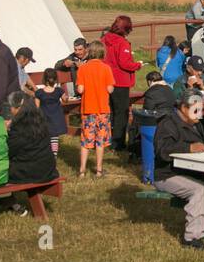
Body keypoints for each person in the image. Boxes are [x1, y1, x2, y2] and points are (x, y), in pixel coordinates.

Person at [153, 92, 204, 249]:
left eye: (201, 109)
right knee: (200, 190)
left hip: (192, 171)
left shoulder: (196, 123)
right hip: (168, 175)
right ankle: (192, 238)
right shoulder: (167, 124)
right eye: (196, 110)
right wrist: (188, 148)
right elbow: (162, 151)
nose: (200, 114)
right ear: (183, 108)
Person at [98, 15, 141, 153]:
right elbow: (124, 63)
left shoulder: (103, 40)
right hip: (120, 82)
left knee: (108, 111)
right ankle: (117, 143)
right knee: (121, 113)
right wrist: (137, 65)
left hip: (105, 79)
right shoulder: (122, 43)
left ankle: (103, 140)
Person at [76, 38, 115, 177]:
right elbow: (110, 90)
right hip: (103, 109)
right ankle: (99, 170)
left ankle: (82, 170)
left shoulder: (83, 68)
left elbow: (80, 90)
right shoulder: (106, 68)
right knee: (100, 141)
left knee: (86, 141)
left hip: (88, 109)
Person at [7, 91, 58, 194]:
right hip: (48, 169)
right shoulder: (41, 121)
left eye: (11, 107)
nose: (10, 110)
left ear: (17, 108)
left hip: (29, 173)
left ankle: (6, 200)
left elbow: (8, 151)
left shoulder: (19, 128)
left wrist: (6, 132)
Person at [36, 68, 67, 154]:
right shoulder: (59, 91)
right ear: (55, 79)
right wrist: (66, 96)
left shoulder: (39, 93)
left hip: (44, 117)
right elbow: (65, 99)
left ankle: (45, 153)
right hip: (56, 118)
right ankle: (54, 155)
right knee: (54, 137)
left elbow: (37, 107)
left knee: (45, 136)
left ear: (44, 79)